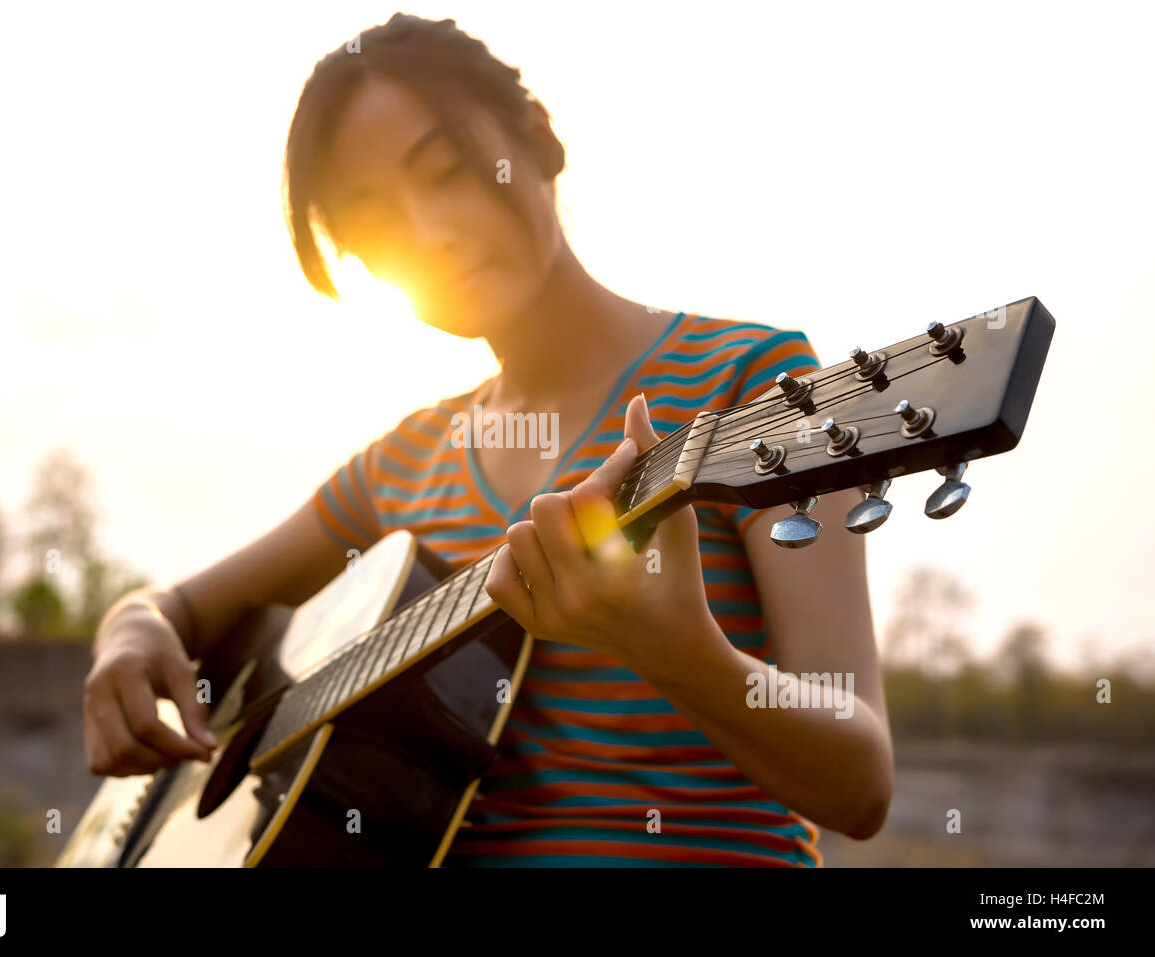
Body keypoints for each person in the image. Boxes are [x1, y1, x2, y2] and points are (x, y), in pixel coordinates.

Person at [82, 13, 892, 867]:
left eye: (447, 173)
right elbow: (172, 609)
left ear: (537, 140)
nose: (430, 234)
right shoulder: (398, 467)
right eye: (377, 227)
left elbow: (861, 781)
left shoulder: (751, 381)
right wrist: (129, 635)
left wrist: (684, 656)